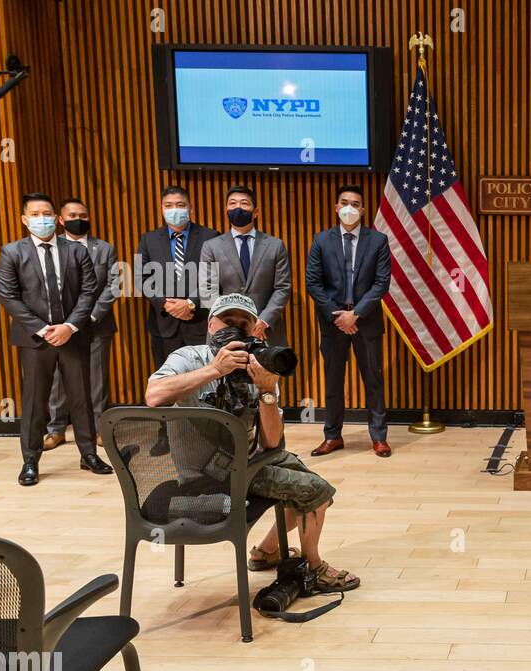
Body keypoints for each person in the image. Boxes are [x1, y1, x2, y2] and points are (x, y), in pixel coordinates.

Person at [144, 293, 359, 591]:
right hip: (209, 475)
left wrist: (267, 390)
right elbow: (153, 396)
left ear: (254, 330)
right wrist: (215, 370)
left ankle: (265, 552)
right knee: (316, 492)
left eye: (242, 325)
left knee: (315, 485)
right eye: (226, 322)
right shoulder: (188, 358)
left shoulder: (259, 363)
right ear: (209, 326)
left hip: (250, 460)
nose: (234, 330)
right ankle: (314, 565)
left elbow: (272, 443)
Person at [0, 192, 112, 486]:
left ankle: (89, 455)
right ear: (25, 220)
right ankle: (31, 461)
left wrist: (70, 326)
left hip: (73, 336)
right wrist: (43, 328)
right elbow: (8, 296)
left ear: (56, 218)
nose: (42, 218)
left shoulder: (75, 250)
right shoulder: (12, 252)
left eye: (46, 212)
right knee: (35, 400)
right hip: (35, 339)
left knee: (82, 397)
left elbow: (89, 292)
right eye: (35, 214)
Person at [305, 184, 393, 457]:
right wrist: (339, 316)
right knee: (333, 381)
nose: (349, 208)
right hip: (332, 323)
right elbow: (313, 284)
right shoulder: (321, 240)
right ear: (335, 207)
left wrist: (355, 314)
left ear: (363, 210)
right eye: (344, 202)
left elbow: (381, 284)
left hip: (365, 320)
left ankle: (378, 437)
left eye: (355, 204)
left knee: (373, 380)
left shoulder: (378, 241)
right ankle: (333, 436)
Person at [43, 197, 118, 450]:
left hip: (96, 323)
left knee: (97, 378)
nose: (79, 220)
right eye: (73, 216)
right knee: (58, 378)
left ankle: (98, 429)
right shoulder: (50, 248)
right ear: (61, 220)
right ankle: (56, 428)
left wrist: (90, 316)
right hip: (59, 324)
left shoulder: (105, 248)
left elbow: (113, 285)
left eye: (84, 216)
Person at [137, 185, 219, 368]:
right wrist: (166, 303)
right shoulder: (148, 239)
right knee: (168, 382)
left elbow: (215, 278)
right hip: (163, 326)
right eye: (168, 205)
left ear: (190, 207)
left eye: (180, 204)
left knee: (203, 383)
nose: (174, 209)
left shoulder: (211, 236)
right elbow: (141, 279)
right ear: (162, 209)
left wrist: (190, 303)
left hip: (199, 323)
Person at [199, 185, 292, 346]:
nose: (238, 208)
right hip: (224, 330)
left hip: (266, 330)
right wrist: (231, 321)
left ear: (255, 212)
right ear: (226, 210)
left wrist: (263, 320)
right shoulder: (211, 246)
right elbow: (207, 289)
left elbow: (282, 288)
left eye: (244, 203)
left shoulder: (275, 245)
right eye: (232, 203)